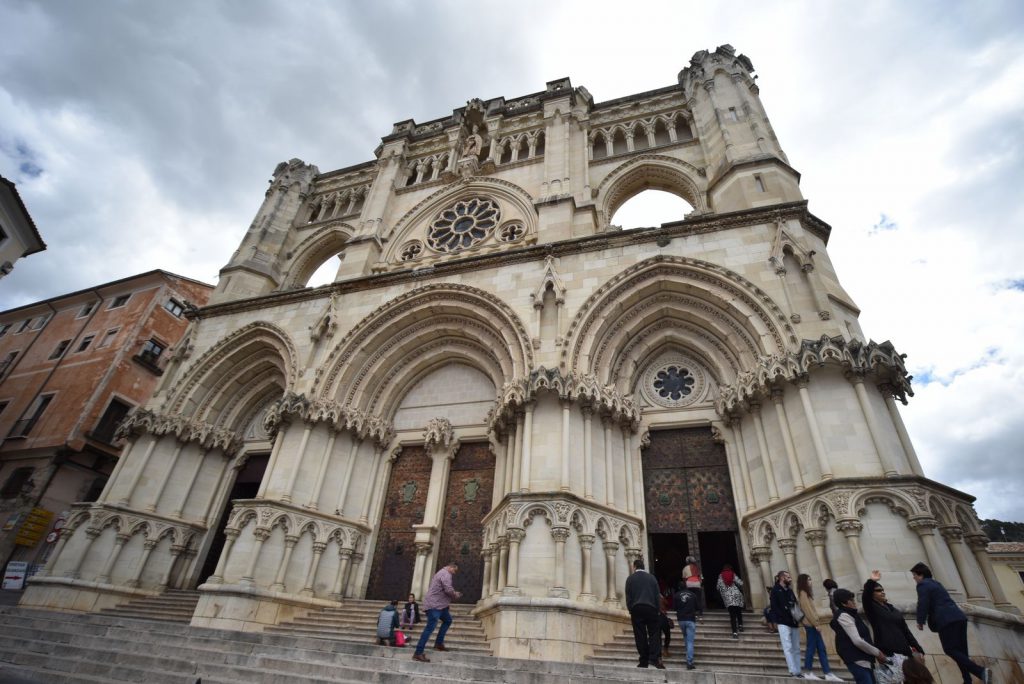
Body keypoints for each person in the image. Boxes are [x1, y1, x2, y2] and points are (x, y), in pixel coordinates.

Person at [911, 562, 991, 684]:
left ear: (920, 575)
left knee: (950, 649)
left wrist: (920, 621)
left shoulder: (922, 585)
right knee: (961, 652)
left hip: (945, 620)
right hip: (959, 617)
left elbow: (923, 602)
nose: (914, 578)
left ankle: (981, 672)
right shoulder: (937, 584)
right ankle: (967, 680)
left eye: (914, 575)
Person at [862, 570, 924, 660]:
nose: (882, 592)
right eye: (878, 591)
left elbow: (906, 631)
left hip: (905, 651)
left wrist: (919, 649)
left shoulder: (893, 609)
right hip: (888, 652)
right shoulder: (871, 608)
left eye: (883, 590)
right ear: (872, 594)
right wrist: (872, 581)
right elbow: (866, 596)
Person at [830, 588, 888, 684]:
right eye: (851, 600)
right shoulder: (844, 616)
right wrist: (877, 652)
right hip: (857, 660)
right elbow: (857, 640)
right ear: (844, 603)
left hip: (864, 660)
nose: (854, 602)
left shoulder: (852, 614)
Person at [412, 561, 462, 663]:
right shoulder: (446, 574)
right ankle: (418, 653)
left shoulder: (441, 572)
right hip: (434, 605)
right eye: (454, 570)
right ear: (451, 567)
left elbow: (443, 590)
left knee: (448, 620)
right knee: (429, 629)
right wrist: (455, 595)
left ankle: (439, 643)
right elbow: (448, 589)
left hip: (440, 605)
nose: (454, 573)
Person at [797, 573, 842, 681]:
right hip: (811, 625)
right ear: (804, 581)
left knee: (821, 649)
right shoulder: (803, 593)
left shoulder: (806, 593)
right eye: (808, 579)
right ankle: (808, 671)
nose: (810, 581)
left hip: (813, 625)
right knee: (811, 648)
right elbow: (807, 610)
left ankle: (827, 673)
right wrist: (816, 624)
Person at [624, 558, 664, 669]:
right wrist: (658, 609)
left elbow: (628, 596)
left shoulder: (630, 579)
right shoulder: (652, 578)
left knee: (640, 635)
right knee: (654, 634)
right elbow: (657, 595)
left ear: (634, 567)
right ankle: (653, 657)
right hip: (651, 608)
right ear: (643, 567)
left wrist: (630, 609)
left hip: (637, 608)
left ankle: (643, 660)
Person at [769, 570, 805, 678]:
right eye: (788, 577)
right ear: (781, 578)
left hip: (793, 622)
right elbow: (774, 607)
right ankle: (793, 670)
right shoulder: (775, 590)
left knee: (796, 647)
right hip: (783, 622)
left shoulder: (789, 590)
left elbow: (794, 604)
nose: (790, 579)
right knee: (788, 647)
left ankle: (798, 670)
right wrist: (779, 619)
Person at [674, 582, 699, 670]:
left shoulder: (676, 595)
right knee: (690, 641)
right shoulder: (693, 595)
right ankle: (689, 662)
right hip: (690, 619)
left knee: (686, 638)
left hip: (681, 620)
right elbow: (697, 607)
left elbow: (674, 607)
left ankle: (688, 655)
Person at [716, 564, 745, 639]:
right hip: (736, 595)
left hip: (728, 598)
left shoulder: (721, 576)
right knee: (738, 611)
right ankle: (740, 625)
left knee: (732, 616)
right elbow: (741, 583)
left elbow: (718, 587)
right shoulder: (732, 574)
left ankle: (735, 632)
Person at [659, 589, 673, 657]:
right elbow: (667, 603)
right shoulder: (661, 597)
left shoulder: (651, 597)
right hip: (663, 617)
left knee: (657, 635)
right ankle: (665, 650)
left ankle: (659, 651)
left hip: (655, 617)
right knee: (667, 635)